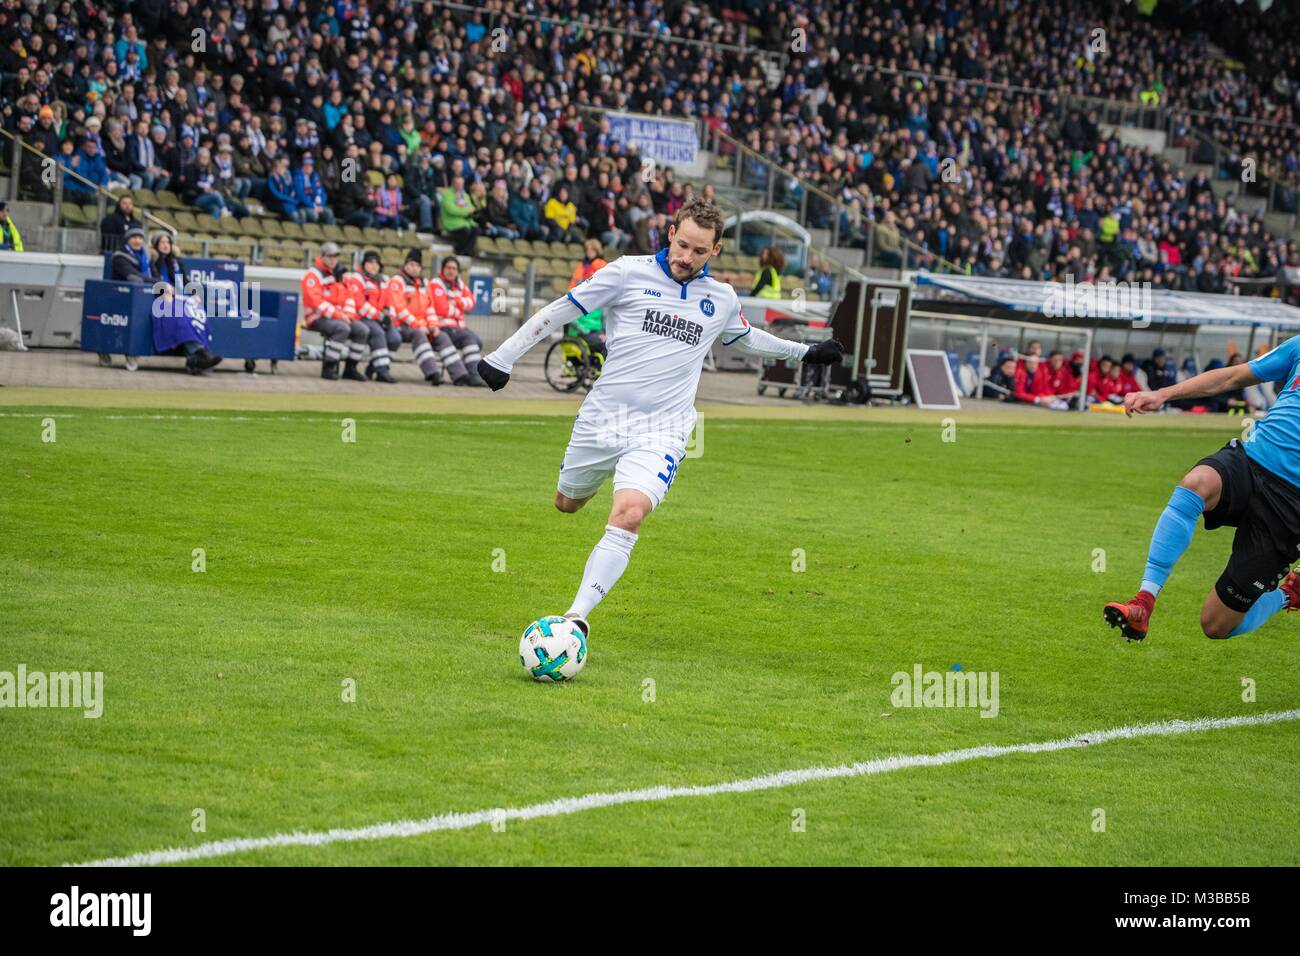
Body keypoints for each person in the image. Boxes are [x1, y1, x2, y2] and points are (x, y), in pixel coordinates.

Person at [475, 199, 844, 640]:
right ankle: (586, 494)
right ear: (670, 233)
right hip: (602, 420)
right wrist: (503, 357)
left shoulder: (721, 298)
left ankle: (575, 618)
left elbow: (743, 338)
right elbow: (562, 310)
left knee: (630, 513)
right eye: (682, 245)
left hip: (663, 430)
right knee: (567, 504)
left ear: (716, 251)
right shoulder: (626, 272)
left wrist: (804, 352)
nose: (687, 257)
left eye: (699, 251)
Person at [1105, 339, 1300, 642]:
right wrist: (1161, 395)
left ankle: (1290, 595)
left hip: (1291, 506)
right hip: (1252, 462)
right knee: (1197, 483)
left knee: (1216, 624)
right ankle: (1144, 601)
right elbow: (1232, 376)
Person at [149, 232, 222, 374]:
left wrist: (194, 293)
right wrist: (164, 286)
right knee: (182, 319)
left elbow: (186, 282)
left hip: (181, 299)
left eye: (167, 242)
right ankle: (200, 356)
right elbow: (152, 279)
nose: (165, 245)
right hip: (163, 300)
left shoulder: (176, 262)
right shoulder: (152, 261)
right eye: (162, 242)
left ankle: (196, 359)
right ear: (156, 245)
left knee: (196, 315)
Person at [301, 242, 366, 380]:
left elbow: (350, 297)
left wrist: (348, 315)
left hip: (339, 317)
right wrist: (340, 316)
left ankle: (350, 368)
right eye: (330, 256)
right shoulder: (313, 275)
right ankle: (329, 366)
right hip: (316, 317)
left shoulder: (341, 274)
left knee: (362, 330)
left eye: (336, 256)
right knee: (342, 329)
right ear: (322, 256)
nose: (333, 260)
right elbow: (316, 303)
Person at [384, 248, 444, 386]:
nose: (414, 268)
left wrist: (433, 325)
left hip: (419, 325)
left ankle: (460, 375)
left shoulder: (425, 283)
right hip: (399, 325)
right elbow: (399, 308)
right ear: (405, 265)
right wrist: (418, 325)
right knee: (419, 335)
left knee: (440, 336)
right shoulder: (397, 281)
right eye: (411, 265)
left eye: (417, 265)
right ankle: (432, 373)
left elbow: (429, 307)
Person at [340, 250, 399, 383]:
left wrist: (389, 316)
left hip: (378, 318)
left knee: (395, 338)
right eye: (370, 262)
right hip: (361, 318)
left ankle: (374, 367)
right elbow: (359, 304)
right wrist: (379, 316)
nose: (374, 266)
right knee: (378, 333)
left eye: (377, 263)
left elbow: (389, 301)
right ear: (364, 264)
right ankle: (382, 370)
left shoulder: (383, 280)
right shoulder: (357, 278)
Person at [429, 255, 487, 386]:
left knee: (476, 341)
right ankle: (474, 376)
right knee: (470, 339)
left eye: (454, 268)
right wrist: (459, 311)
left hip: (457, 328)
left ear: (458, 271)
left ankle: (468, 375)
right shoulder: (436, 284)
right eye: (448, 268)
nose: (451, 271)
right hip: (442, 326)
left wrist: (455, 302)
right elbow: (441, 309)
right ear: (442, 269)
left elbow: (472, 302)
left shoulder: (460, 285)